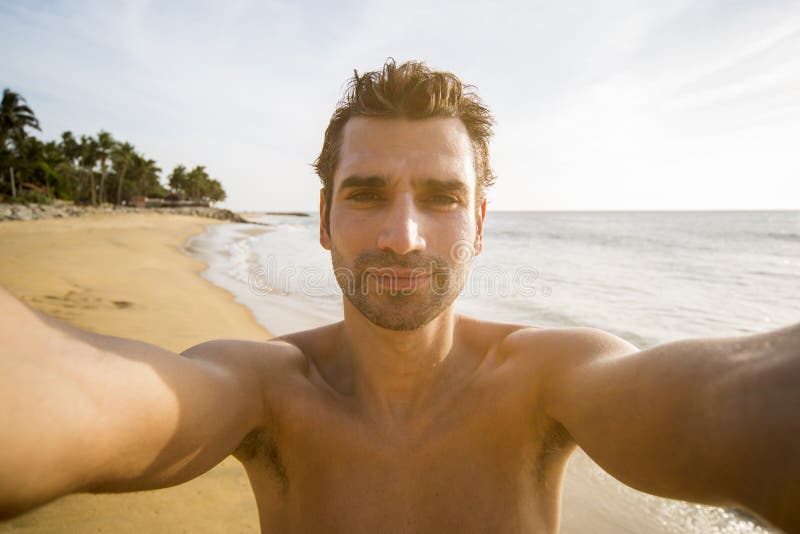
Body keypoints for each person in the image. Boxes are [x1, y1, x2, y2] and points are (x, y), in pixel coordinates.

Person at [0, 59, 798, 534]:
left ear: (479, 224)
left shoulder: (549, 379)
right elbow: (88, 393)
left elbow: (711, 403)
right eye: (368, 192)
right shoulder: (263, 390)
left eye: (443, 198)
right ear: (323, 218)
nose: (404, 236)